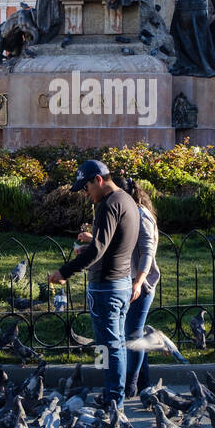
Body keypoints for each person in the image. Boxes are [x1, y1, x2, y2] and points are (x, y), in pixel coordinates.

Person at [48, 159, 139, 410]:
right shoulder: (127, 201)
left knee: (109, 347)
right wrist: (90, 243)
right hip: (120, 283)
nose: (86, 194)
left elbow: (98, 250)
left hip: (105, 287)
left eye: (86, 187)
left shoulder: (108, 205)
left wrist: (64, 272)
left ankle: (113, 399)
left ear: (98, 180)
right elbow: (110, 244)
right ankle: (112, 393)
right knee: (114, 344)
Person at [121, 177, 160, 399]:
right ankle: (144, 382)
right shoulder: (129, 214)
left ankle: (130, 386)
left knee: (133, 335)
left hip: (141, 285)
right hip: (130, 283)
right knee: (135, 332)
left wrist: (138, 281)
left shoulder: (141, 215)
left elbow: (147, 252)